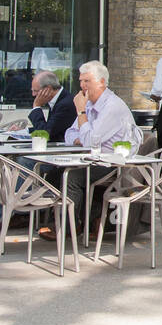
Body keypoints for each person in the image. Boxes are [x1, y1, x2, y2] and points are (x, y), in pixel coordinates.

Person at [63, 61, 143, 228]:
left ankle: (70, 227)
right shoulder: (90, 104)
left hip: (114, 162)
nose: (82, 86)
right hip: (93, 158)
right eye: (80, 81)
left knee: (72, 177)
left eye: (87, 81)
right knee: (57, 173)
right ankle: (81, 220)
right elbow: (69, 134)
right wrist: (80, 137)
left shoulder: (111, 106)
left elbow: (90, 140)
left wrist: (81, 113)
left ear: (101, 82)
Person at [28, 70, 76, 143]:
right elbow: (51, 126)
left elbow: (44, 133)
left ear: (48, 89)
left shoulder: (65, 105)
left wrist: (36, 107)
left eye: (36, 91)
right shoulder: (58, 100)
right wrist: (25, 131)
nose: (33, 95)